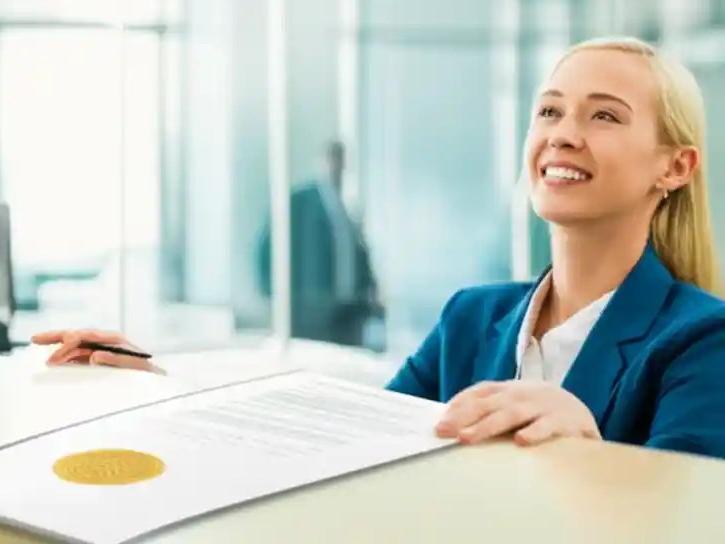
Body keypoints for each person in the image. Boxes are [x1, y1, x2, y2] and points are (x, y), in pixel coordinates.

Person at [37, 36, 725, 459]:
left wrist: (590, 449)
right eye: (550, 110)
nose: (563, 133)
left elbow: (688, 522)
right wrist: (162, 383)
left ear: (676, 167)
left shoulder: (701, 341)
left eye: (604, 115)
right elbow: (355, 440)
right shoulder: (472, 317)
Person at [255, 139, 383, 349]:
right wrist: (274, 296)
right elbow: (268, 248)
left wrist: (369, 291)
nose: (338, 166)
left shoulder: (346, 208)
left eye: (341, 160)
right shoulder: (300, 202)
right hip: (312, 316)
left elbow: (358, 255)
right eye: (333, 159)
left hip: (347, 312)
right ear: (323, 161)